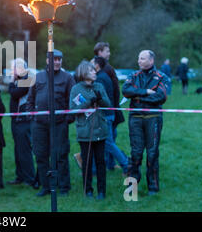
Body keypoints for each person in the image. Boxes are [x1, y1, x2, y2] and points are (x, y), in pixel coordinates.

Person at [26, 49, 75, 197]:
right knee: (41, 155)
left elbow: (72, 100)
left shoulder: (67, 78)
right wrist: (32, 117)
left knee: (60, 155)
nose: (58, 62)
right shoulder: (37, 77)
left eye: (60, 59)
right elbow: (30, 99)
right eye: (55, 59)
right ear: (48, 60)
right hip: (39, 125)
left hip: (59, 124)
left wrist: (68, 119)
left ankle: (64, 187)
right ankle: (45, 186)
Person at [122, 50, 170, 195]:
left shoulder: (162, 77)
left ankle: (153, 187)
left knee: (152, 153)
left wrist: (137, 97)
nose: (139, 61)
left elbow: (161, 97)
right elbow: (125, 90)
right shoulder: (133, 75)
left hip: (153, 118)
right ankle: (131, 187)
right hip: (135, 118)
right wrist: (146, 92)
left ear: (151, 60)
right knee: (135, 153)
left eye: (142, 58)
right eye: (138, 58)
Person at [70, 60, 111, 200]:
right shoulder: (76, 89)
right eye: (92, 70)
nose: (95, 72)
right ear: (84, 72)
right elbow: (73, 110)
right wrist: (88, 102)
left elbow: (108, 104)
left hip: (100, 130)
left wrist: (100, 99)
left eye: (95, 70)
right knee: (87, 163)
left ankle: (102, 191)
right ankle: (87, 190)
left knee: (101, 162)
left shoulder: (99, 86)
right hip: (85, 133)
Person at [91, 56, 129, 174]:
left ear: (97, 65)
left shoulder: (100, 78)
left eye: (92, 63)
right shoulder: (104, 76)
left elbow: (100, 97)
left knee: (108, 143)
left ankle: (126, 164)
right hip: (108, 113)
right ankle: (94, 169)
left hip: (105, 115)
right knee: (103, 142)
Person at [7, 58, 36, 187]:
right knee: (18, 150)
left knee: (24, 150)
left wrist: (12, 82)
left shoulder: (27, 80)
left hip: (23, 120)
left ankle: (29, 178)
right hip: (16, 120)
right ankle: (20, 176)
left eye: (13, 68)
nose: (11, 71)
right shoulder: (20, 80)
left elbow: (14, 93)